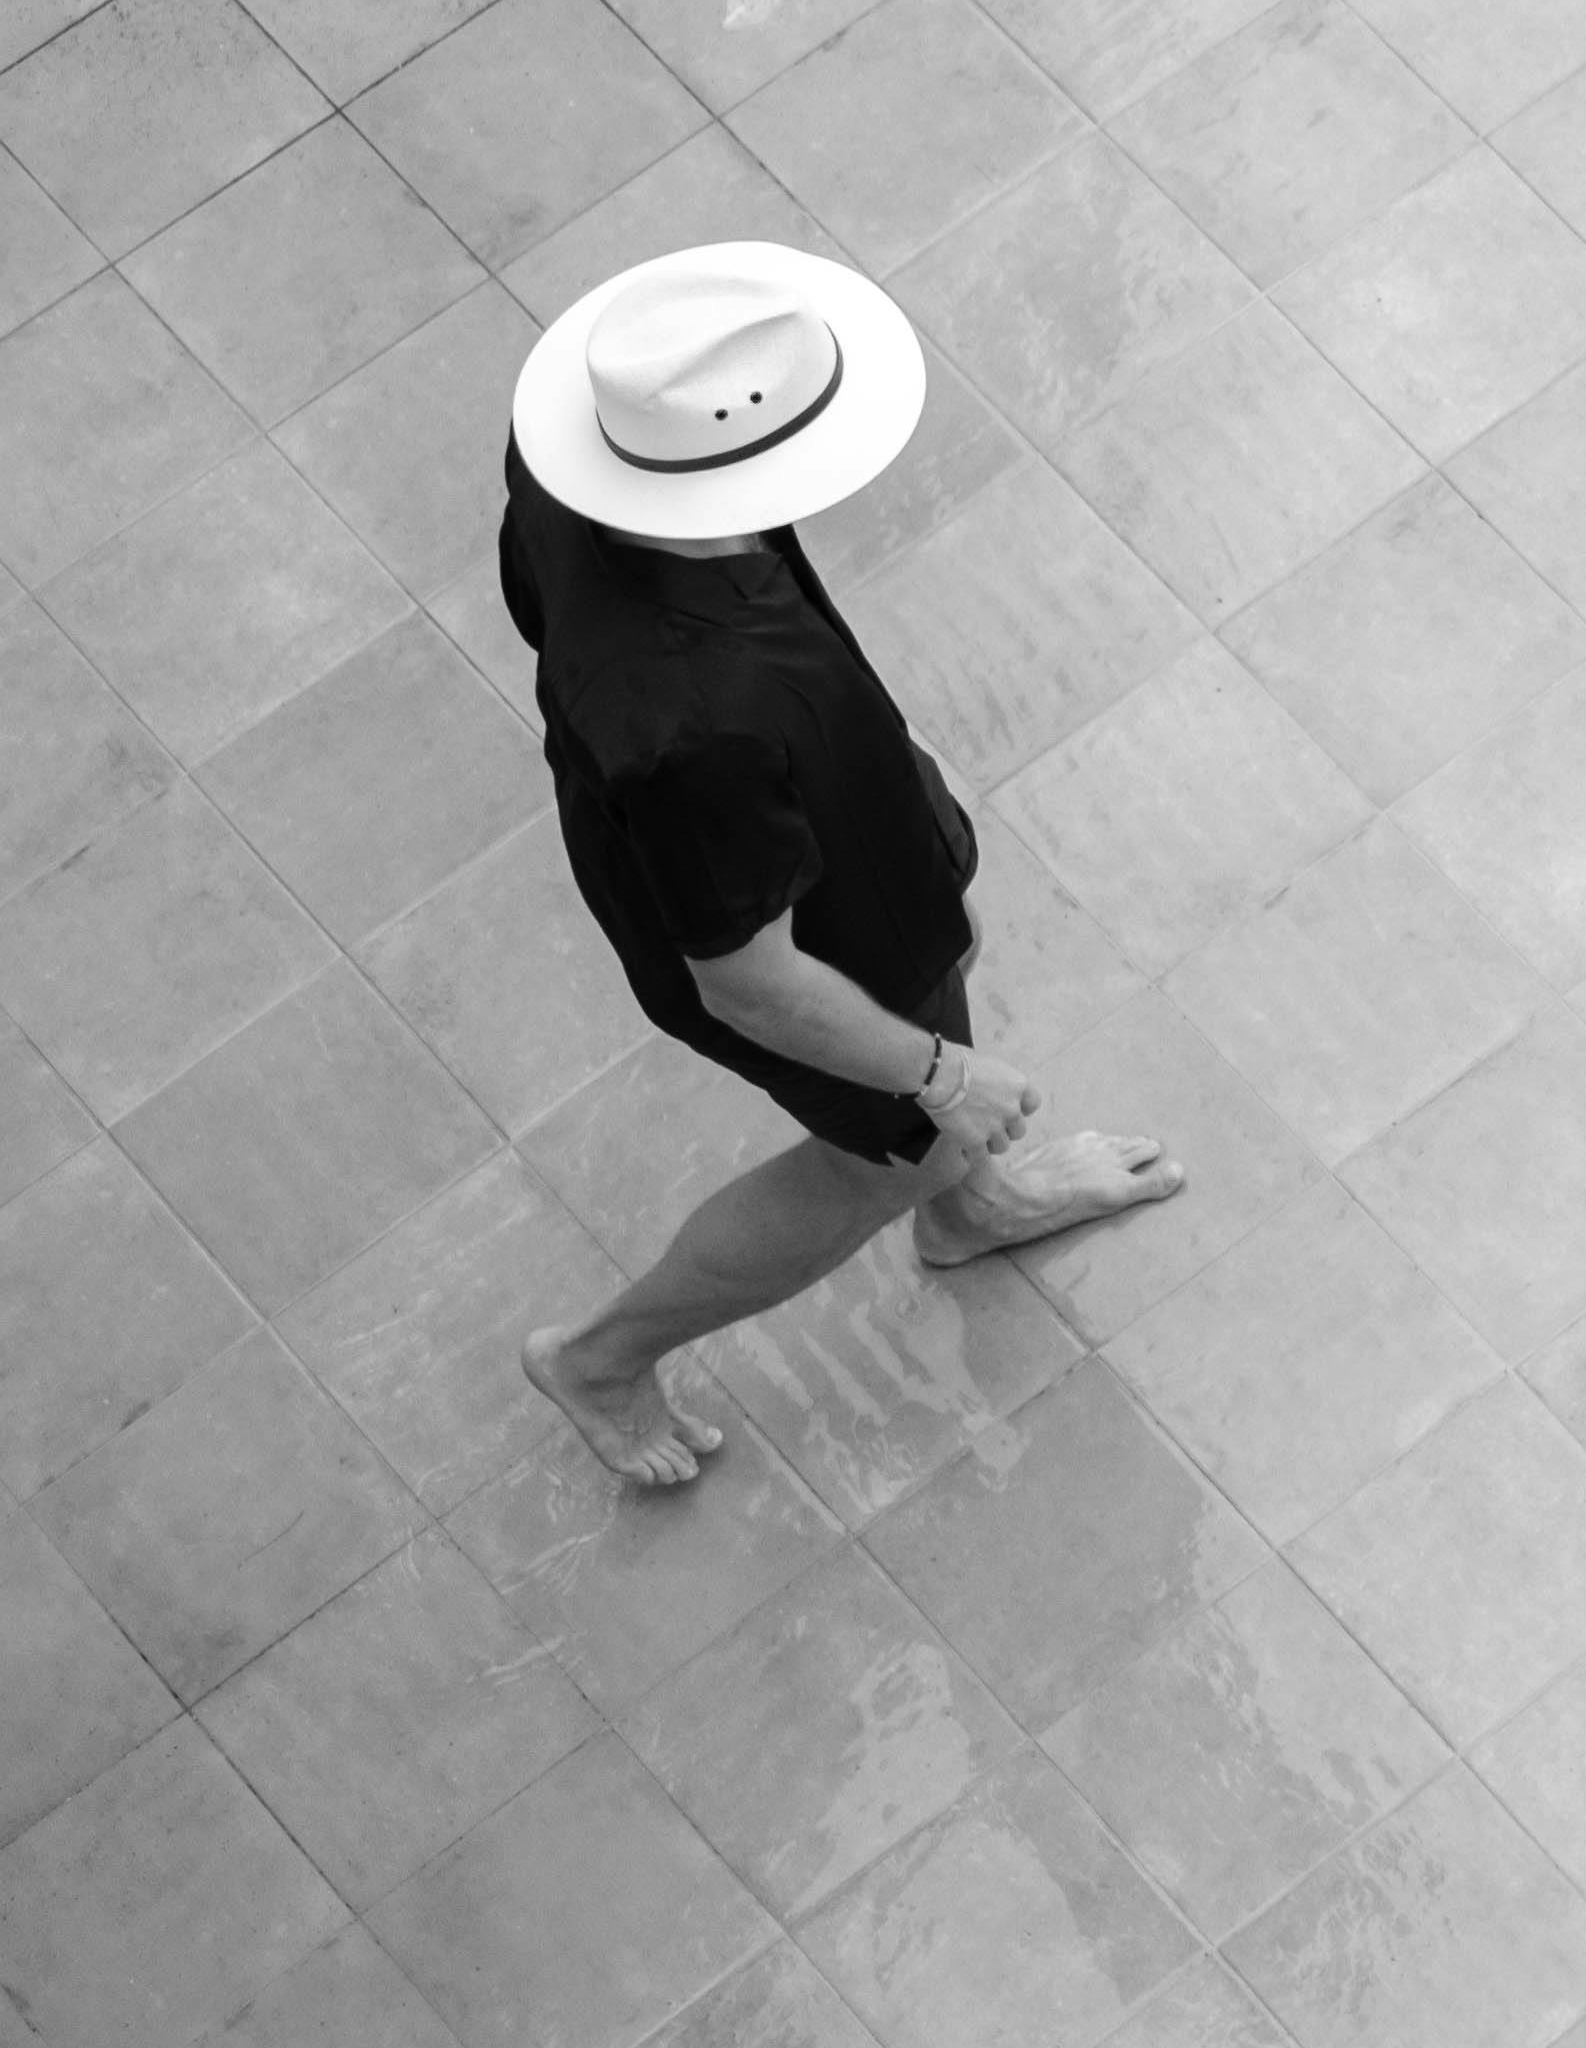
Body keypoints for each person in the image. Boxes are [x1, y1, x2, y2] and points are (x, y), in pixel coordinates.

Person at [503, 244, 1179, 1485]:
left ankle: (965, 1202)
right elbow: (747, 983)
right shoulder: (692, 731)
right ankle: (601, 1355)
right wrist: (938, 1076)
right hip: (778, 917)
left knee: (944, 966)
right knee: (898, 1146)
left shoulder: (583, 465)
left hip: (804, 820)